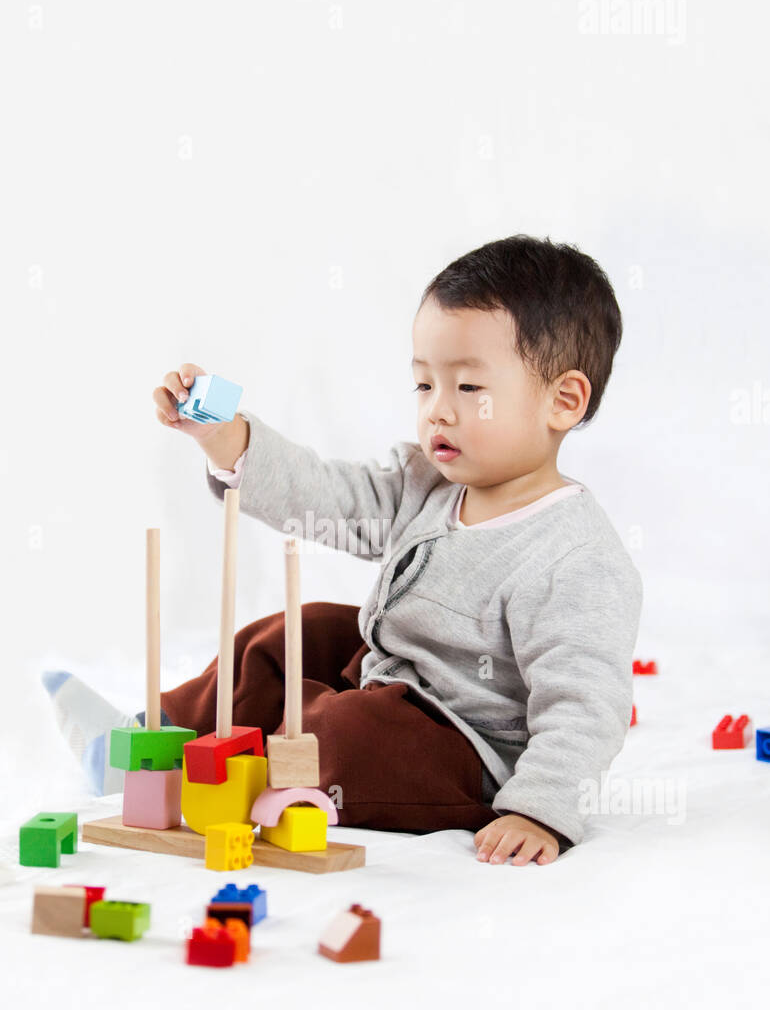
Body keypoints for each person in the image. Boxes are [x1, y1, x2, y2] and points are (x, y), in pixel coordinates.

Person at [44, 234, 641, 866]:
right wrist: (230, 440)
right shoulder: (426, 484)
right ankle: (143, 743)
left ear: (563, 400)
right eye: (423, 386)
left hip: (464, 751)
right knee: (297, 631)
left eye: (468, 389)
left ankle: (257, 773)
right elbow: (332, 498)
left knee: (345, 734)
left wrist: (539, 808)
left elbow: (585, 705)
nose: (437, 411)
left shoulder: (576, 558)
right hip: (383, 680)